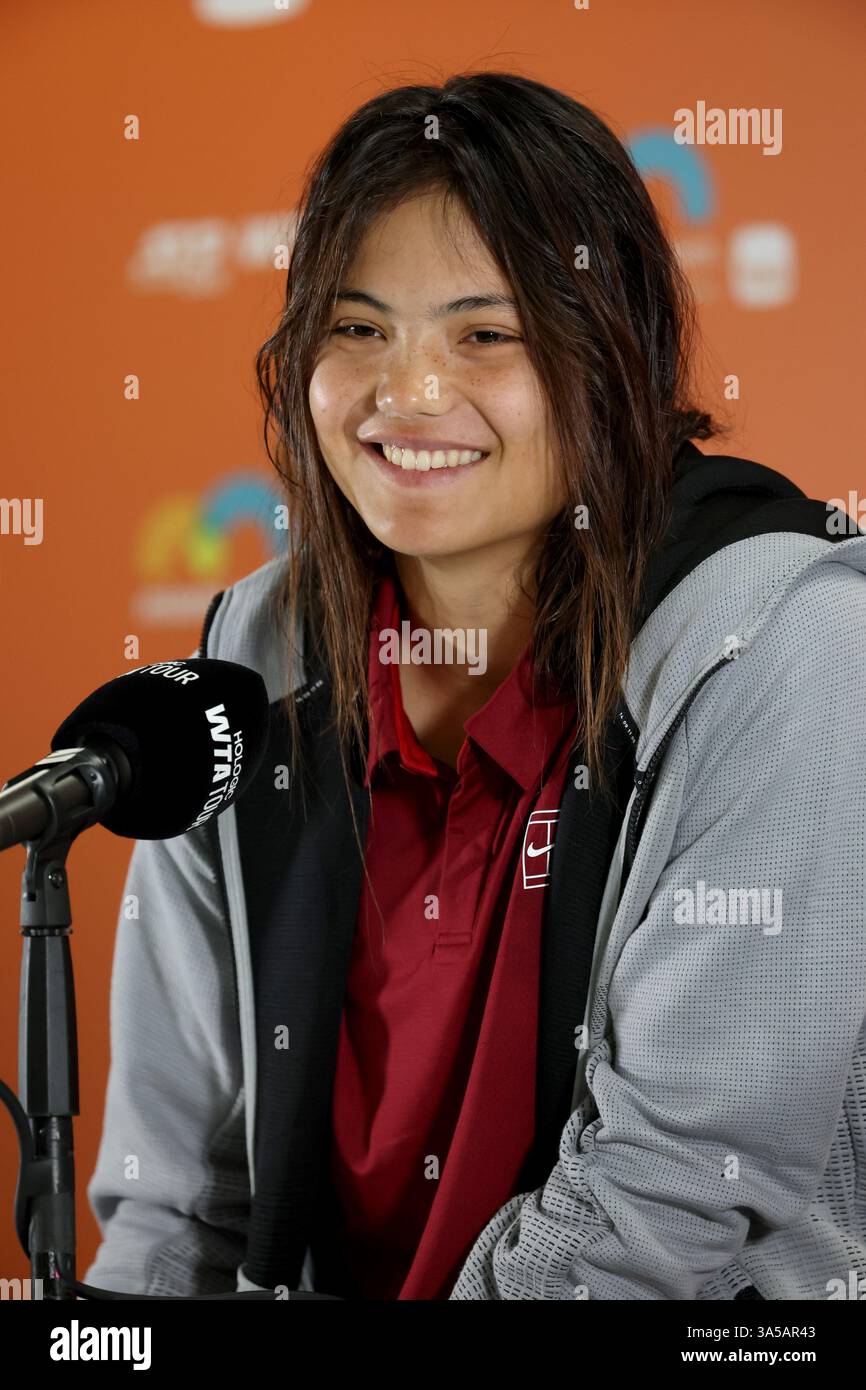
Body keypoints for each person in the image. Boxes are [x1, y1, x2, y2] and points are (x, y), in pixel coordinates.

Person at [84, 71, 866, 1301]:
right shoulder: (252, 654)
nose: (407, 394)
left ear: (609, 356)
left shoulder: (784, 647)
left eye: (484, 334)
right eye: (355, 329)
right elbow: (176, 1204)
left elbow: (657, 1215)